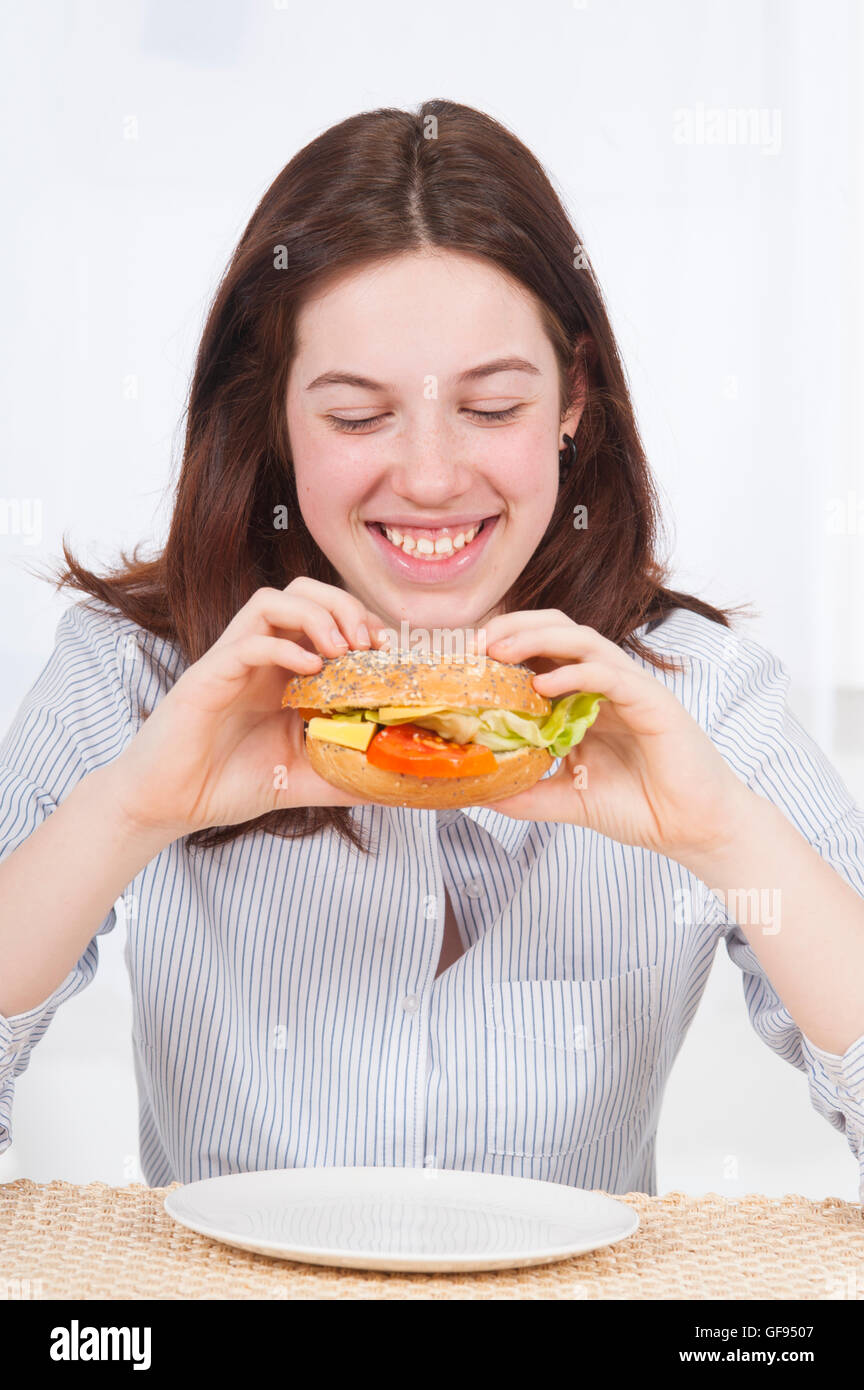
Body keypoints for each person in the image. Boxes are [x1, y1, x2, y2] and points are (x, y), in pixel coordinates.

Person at [1, 100, 863, 1197]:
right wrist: (130, 809)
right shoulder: (131, 674)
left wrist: (725, 835)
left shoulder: (699, 693)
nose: (430, 476)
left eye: (492, 406)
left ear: (573, 401)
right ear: (272, 415)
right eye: (357, 418)